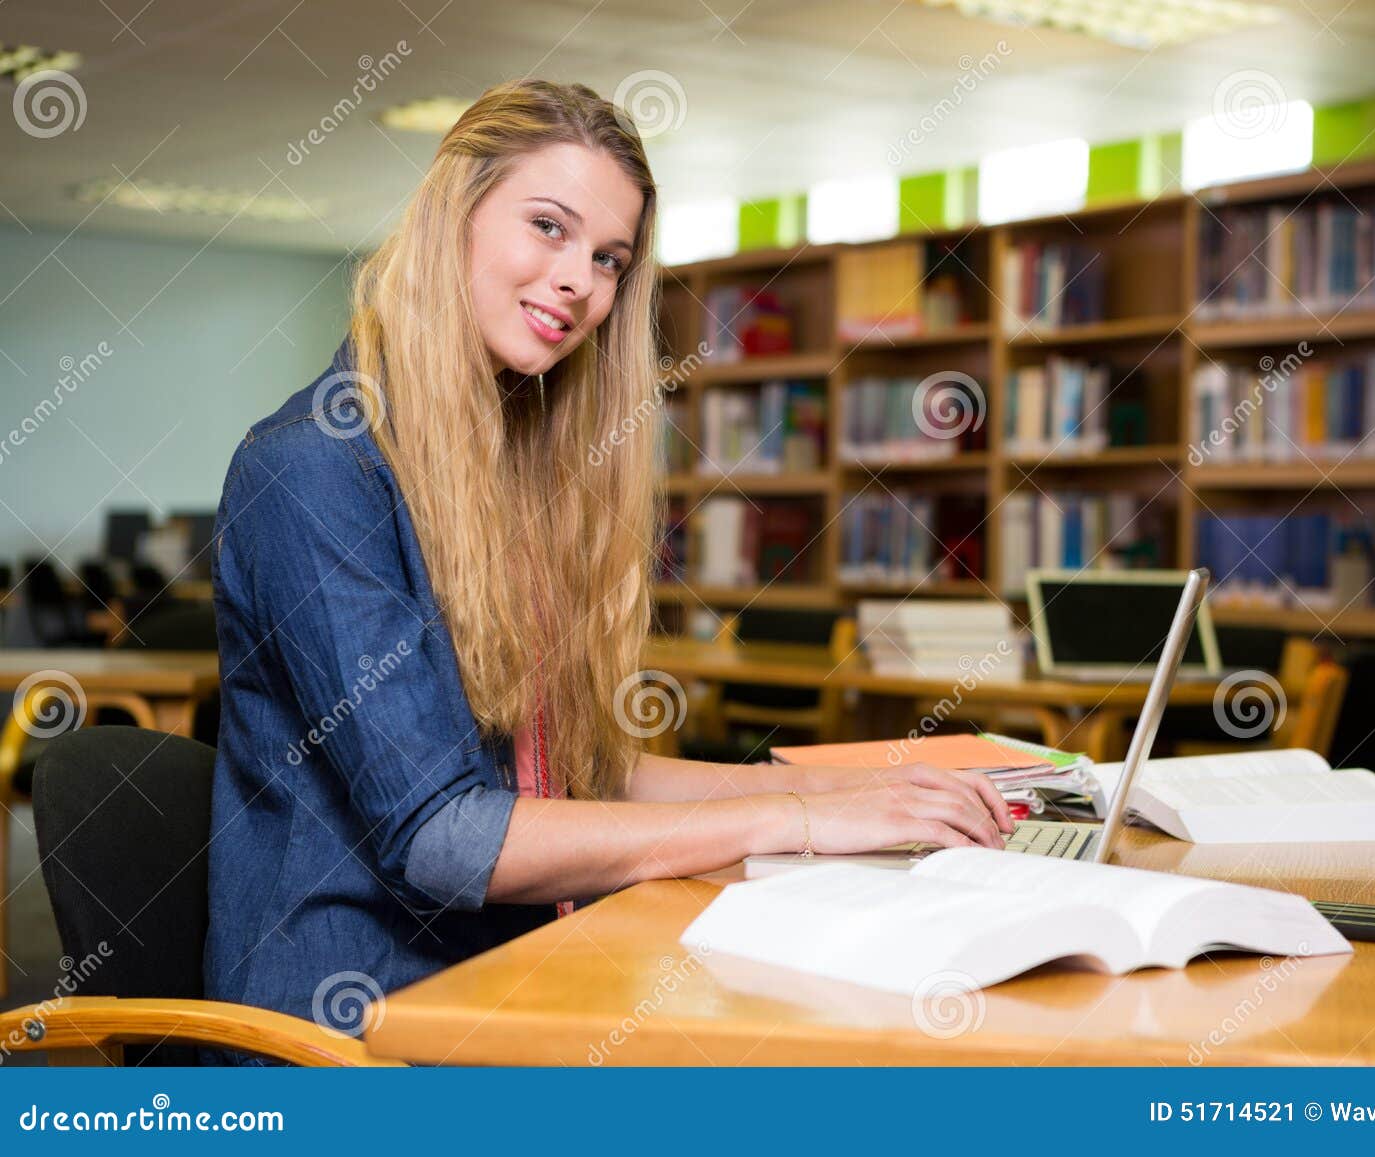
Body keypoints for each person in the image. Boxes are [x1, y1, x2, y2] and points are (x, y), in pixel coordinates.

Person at [202, 79, 1011, 1051]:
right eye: (547, 225)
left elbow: (574, 779)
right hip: (351, 1020)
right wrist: (794, 818)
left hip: (513, 972)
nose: (578, 279)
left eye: (608, 258)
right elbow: (446, 836)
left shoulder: (504, 463)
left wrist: (854, 801)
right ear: (451, 216)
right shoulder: (312, 467)